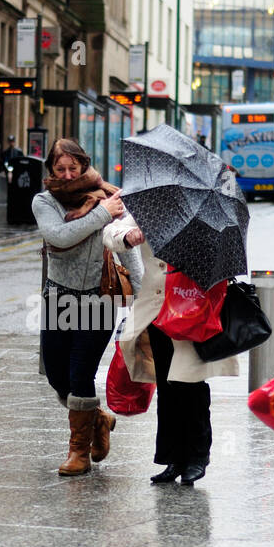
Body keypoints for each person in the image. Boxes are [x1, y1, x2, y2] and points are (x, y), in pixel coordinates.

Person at [32, 138, 143, 476]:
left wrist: (143, 298)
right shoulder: (44, 201)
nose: (66, 175)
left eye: (72, 168)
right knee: (56, 375)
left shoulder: (110, 197)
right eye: (59, 168)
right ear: (51, 169)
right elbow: (60, 237)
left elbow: (124, 245)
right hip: (60, 298)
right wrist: (100, 213)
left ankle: (78, 452)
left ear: (83, 166)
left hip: (100, 297)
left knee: (80, 373)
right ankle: (98, 419)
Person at [104, 216, 236, 485]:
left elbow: (225, 255)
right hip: (157, 310)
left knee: (191, 383)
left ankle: (197, 457)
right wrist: (129, 236)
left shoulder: (208, 214)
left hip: (193, 307)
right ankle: (173, 458)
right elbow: (110, 232)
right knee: (167, 386)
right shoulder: (155, 204)